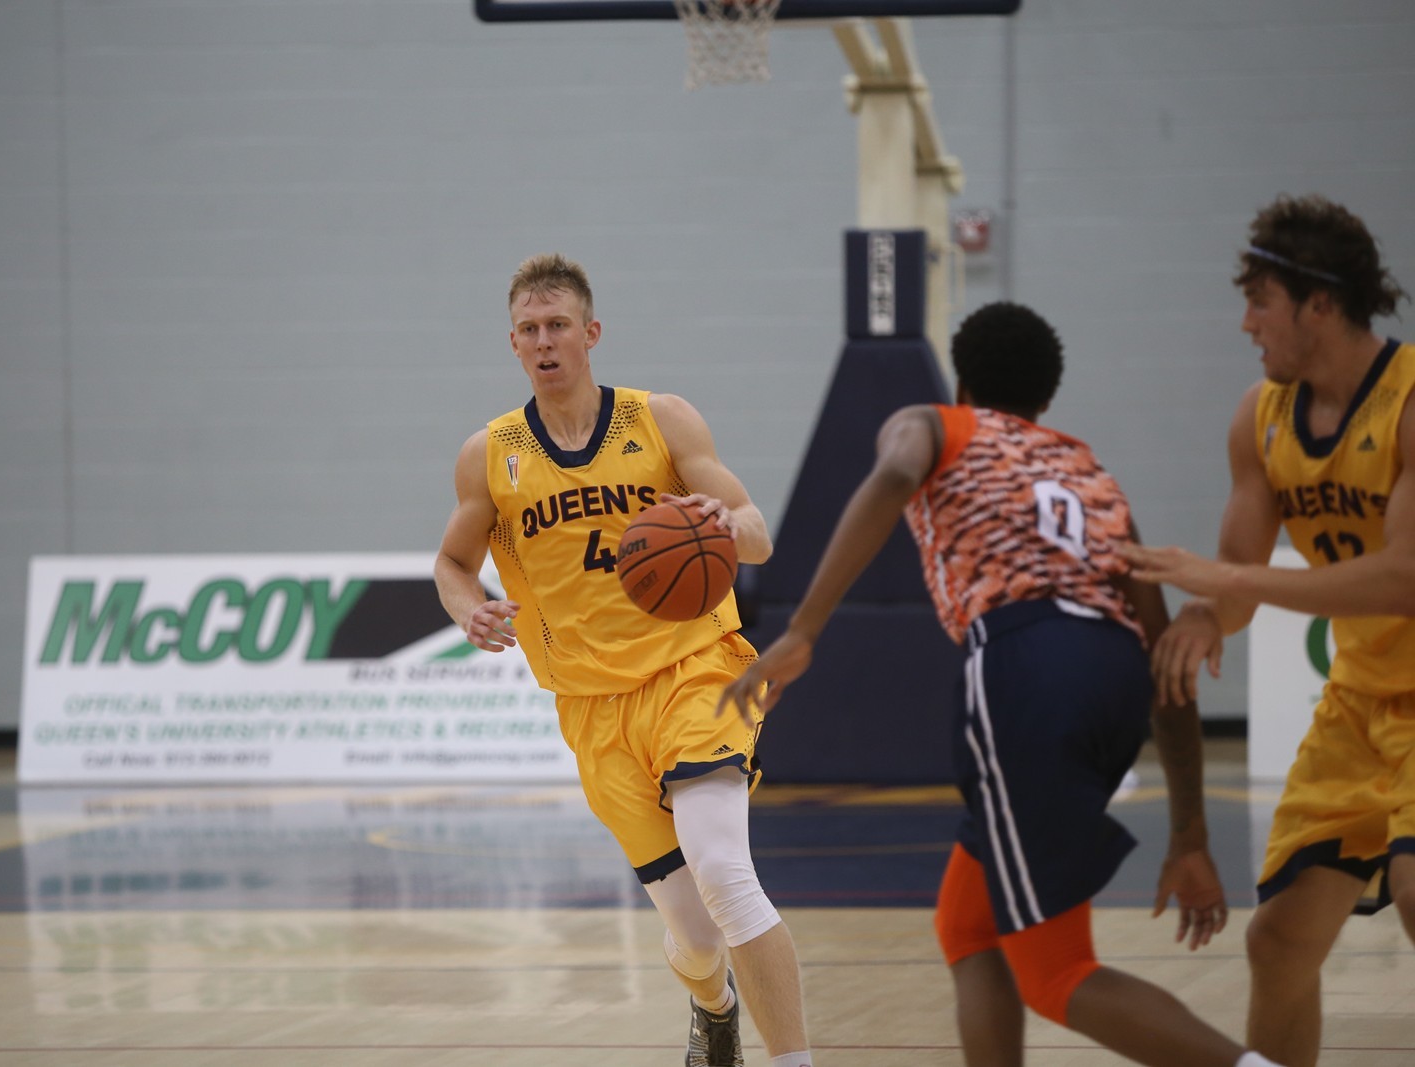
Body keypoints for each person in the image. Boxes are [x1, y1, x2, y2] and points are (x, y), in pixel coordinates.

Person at [718, 302, 1281, 1067]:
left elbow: (891, 474)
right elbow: (1162, 658)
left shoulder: (935, 423)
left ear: (962, 380)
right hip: (1115, 673)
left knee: (1056, 974)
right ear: (1046, 399)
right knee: (968, 924)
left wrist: (805, 629)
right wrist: (1189, 834)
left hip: (1026, 662)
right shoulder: (1088, 469)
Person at [434, 253, 814, 1067]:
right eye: (530, 330)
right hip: (593, 708)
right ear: (513, 343)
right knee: (697, 932)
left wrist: (724, 520)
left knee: (723, 866)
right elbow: (451, 565)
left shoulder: (661, 420)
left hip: (698, 669)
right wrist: (471, 611)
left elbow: (757, 531)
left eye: (559, 325)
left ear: (590, 332)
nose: (545, 341)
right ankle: (712, 1005)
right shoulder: (489, 455)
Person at [1122, 193, 1414, 1067]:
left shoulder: (1407, 402)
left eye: (1262, 302)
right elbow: (1237, 573)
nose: (1248, 324)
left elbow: (1405, 576)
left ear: (1319, 304)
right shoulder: (1261, 417)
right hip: (1359, 704)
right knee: (1279, 940)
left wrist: (1233, 582)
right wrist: (1206, 619)